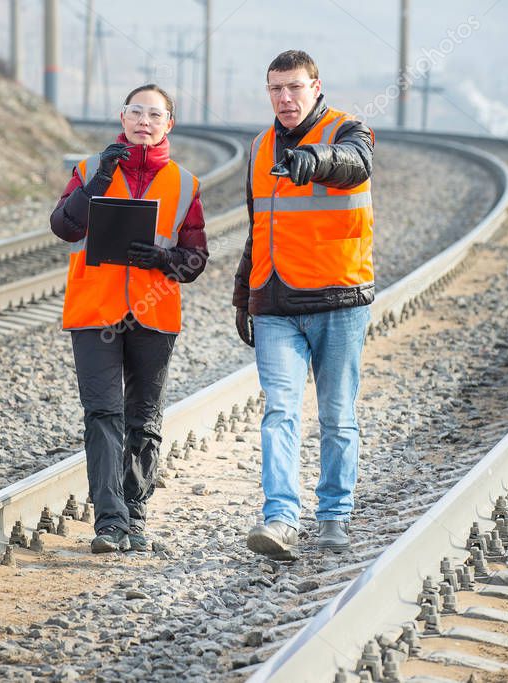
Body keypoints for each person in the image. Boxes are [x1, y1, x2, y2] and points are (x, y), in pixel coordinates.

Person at [50, 84, 208, 553]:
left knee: (142, 419)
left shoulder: (184, 183)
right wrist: (99, 180)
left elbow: (196, 261)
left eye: (154, 114)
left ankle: (135, 515)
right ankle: (109, 522)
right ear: (122, 119)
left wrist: (162, 259)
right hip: (94, 312)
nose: (144, 120)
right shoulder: (88, 170)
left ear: (168, 125)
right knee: (102, 413)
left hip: (153, 314)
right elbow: (63, 227)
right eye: (136, 112)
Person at [233, 50, 375, 560]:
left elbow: (354, 164)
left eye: (294, 87)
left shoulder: (348, 130)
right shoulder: (259, 146)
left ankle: (334, 515)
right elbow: (259, 227)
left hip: (338, 298)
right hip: (275, 300)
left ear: (317, 86)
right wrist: (243, 296)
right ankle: (280, 520)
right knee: (280, 413)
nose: (285, 98)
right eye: (275, 88)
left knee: (337, 416)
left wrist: (312, 160)